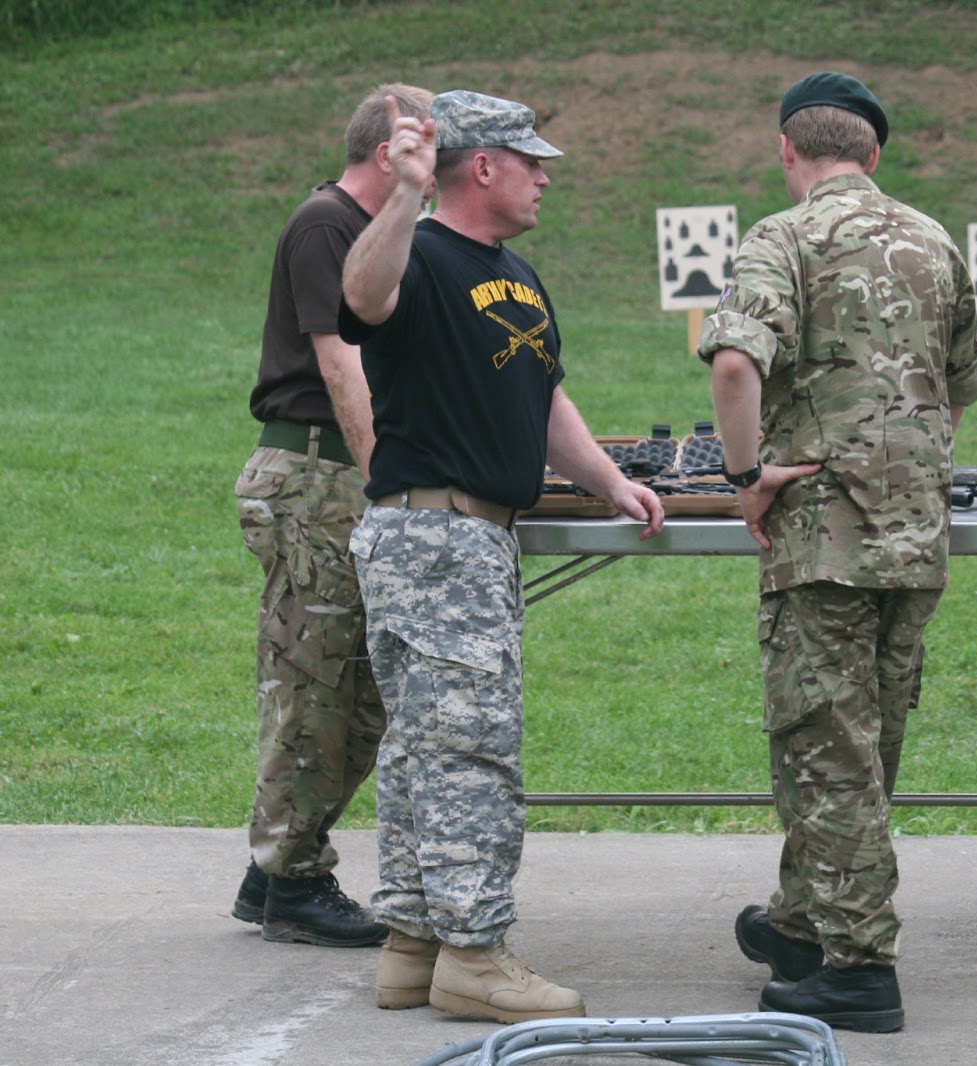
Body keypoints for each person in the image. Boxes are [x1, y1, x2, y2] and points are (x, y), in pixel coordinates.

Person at [338, 89, 665, 1023]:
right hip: (437, 533)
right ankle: (476, 957)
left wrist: (609, 480)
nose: (545, 175)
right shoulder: (416, 252)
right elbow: (362, 298)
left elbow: (542, 396)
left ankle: (412, 945)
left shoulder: (514, 273)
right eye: (531, 160)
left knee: (420, 751)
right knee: (470, 754)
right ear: (481, 166)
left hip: (463, 536)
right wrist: (402, 195)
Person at [701, 71, 977, 1034]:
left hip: (823, 537)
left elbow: (737, 361)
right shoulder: (935, 239)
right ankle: (804, 921)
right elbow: (963, 383)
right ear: (875, 157)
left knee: (825, 750)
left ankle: (861, 966)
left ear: (790, 152)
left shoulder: (780, 237)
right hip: (915, 539)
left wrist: (747, 475)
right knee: (864, 744)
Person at [232, 83, 433, 948]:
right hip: (316, 473)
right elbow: (340, 366)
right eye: (425, 147)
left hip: (339, 475)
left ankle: (277, 860)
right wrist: (388, 482)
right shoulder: (327, 225)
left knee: (357, 690)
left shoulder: (379, 230)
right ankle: (293, 883)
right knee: (315, 685)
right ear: (387, 155)